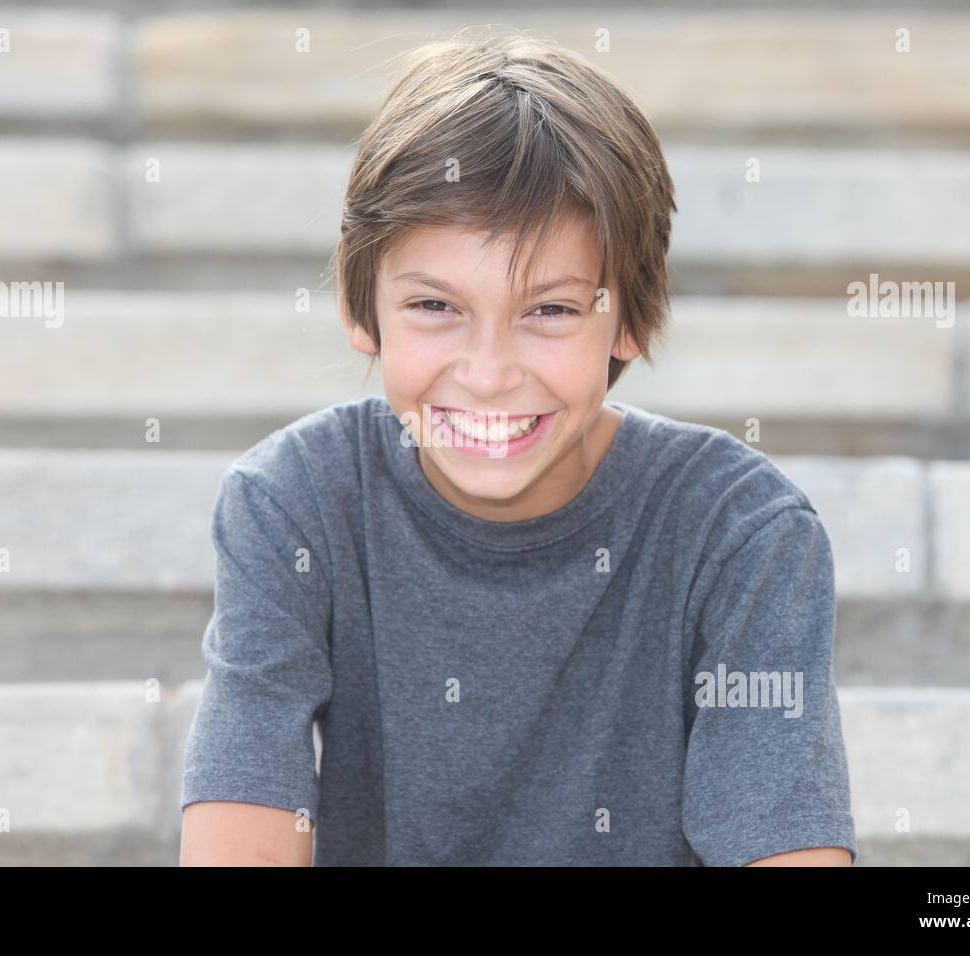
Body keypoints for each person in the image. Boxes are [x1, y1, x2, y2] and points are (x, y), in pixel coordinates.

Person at [179, 27, 856, 866]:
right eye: (434, 306)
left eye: (551, 310)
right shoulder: (294, 503)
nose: (490, 373)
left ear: (632, 321)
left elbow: (782, 846)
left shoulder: (742, 535)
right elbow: (241, 824)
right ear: (363, 313)